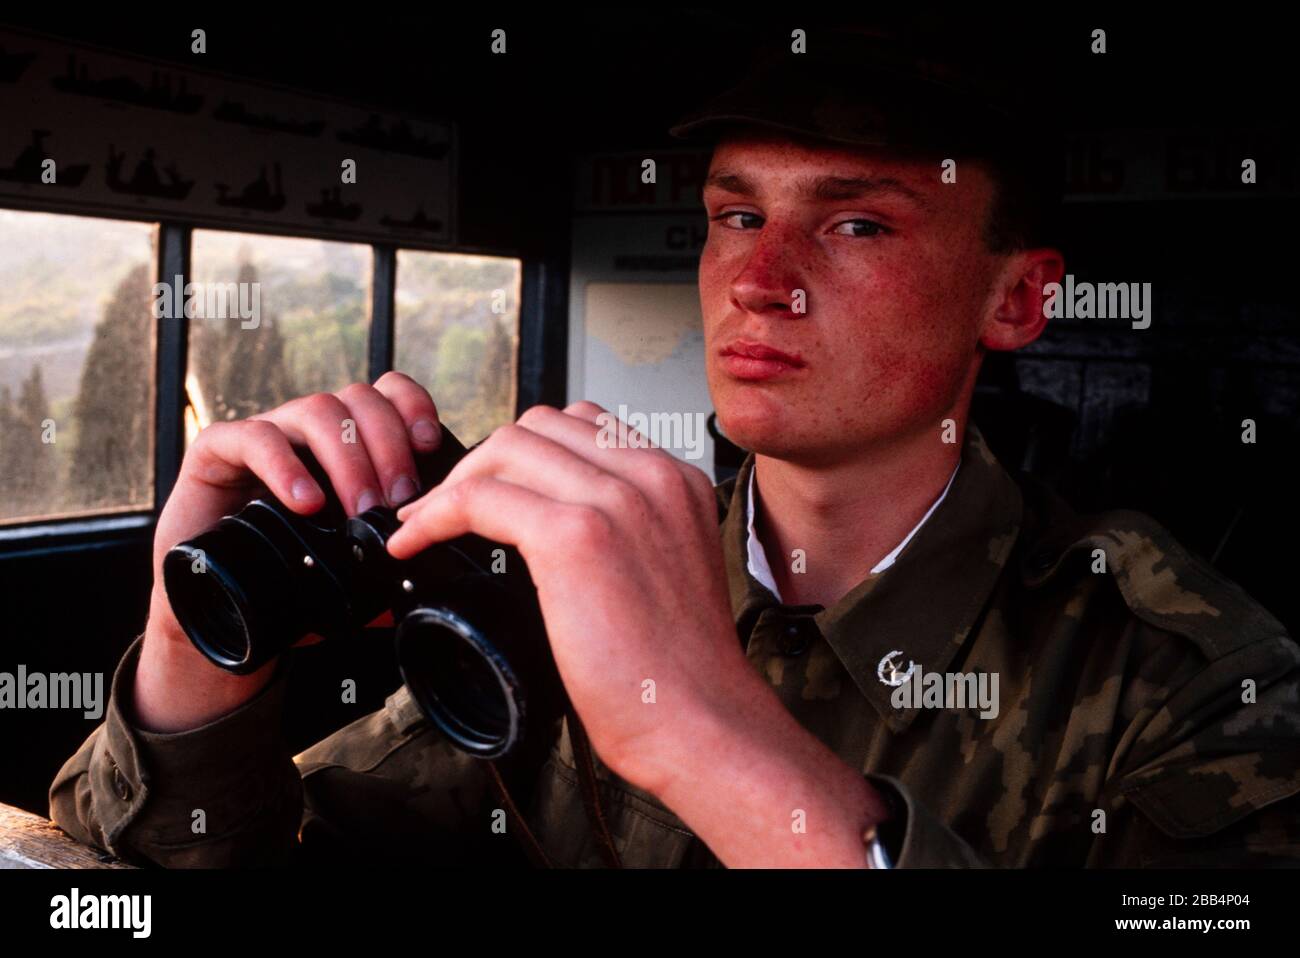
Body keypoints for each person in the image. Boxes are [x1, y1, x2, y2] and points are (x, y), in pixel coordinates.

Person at [51, 28, 1300, 868]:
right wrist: (198, 648)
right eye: (735, 215)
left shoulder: (1188, 676)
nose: (761, 282)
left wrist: (704, 736)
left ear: (1017, 302)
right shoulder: (593, 561)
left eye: (856, 224)